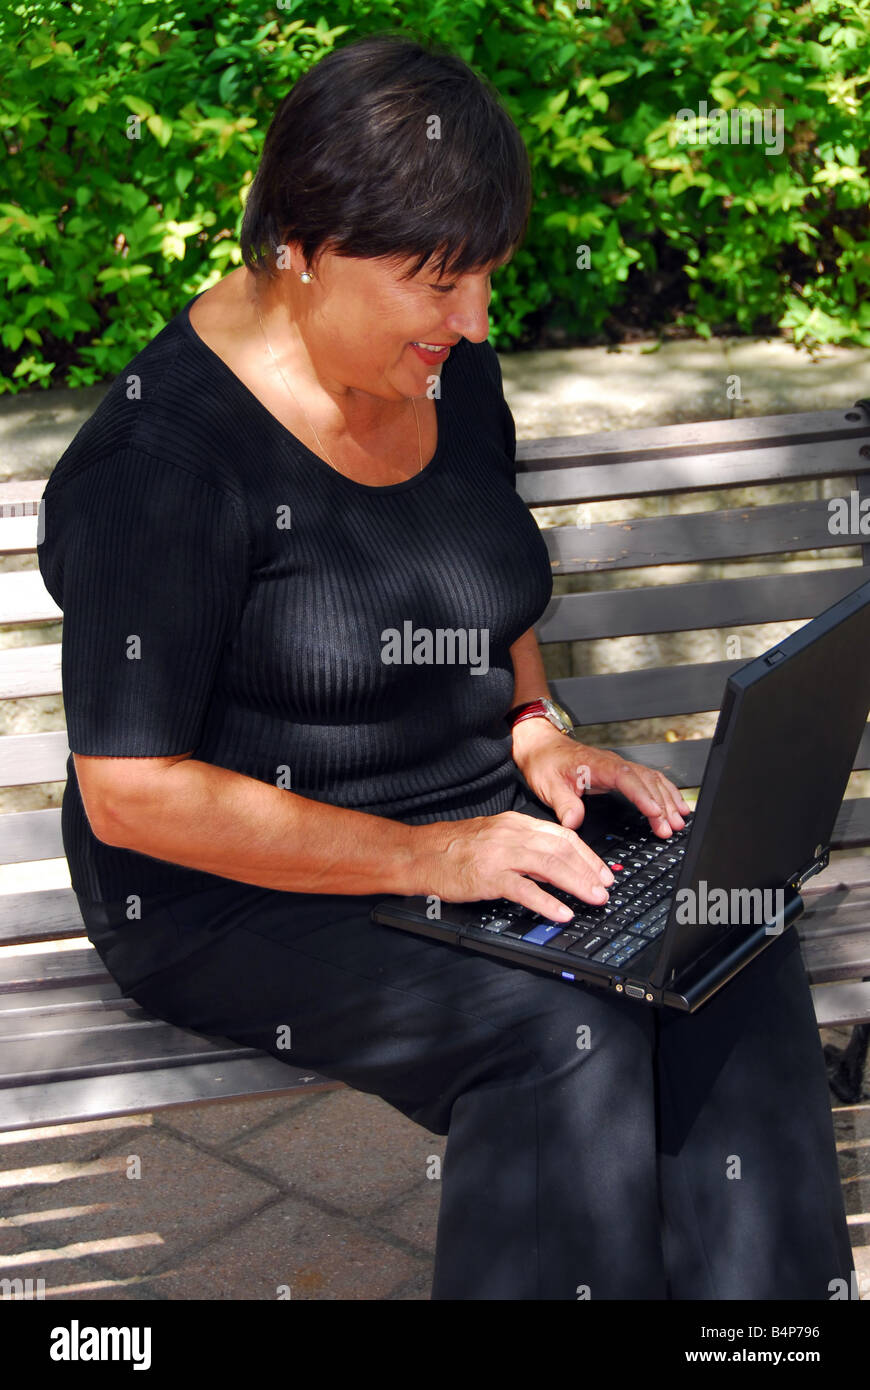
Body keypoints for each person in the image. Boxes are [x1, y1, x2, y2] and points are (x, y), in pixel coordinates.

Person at [37, 33, 853, 1301]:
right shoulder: (164, 466)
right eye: (436, 282)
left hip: (465, 819)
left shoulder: (444, 375)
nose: (472, 323)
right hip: (225, 889)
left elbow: (484, 579)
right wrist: (438, 856)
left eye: (483, 278)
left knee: (728, 938)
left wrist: (537, 726)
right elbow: (132, 791)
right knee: (562, 1032)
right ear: (300, 248)